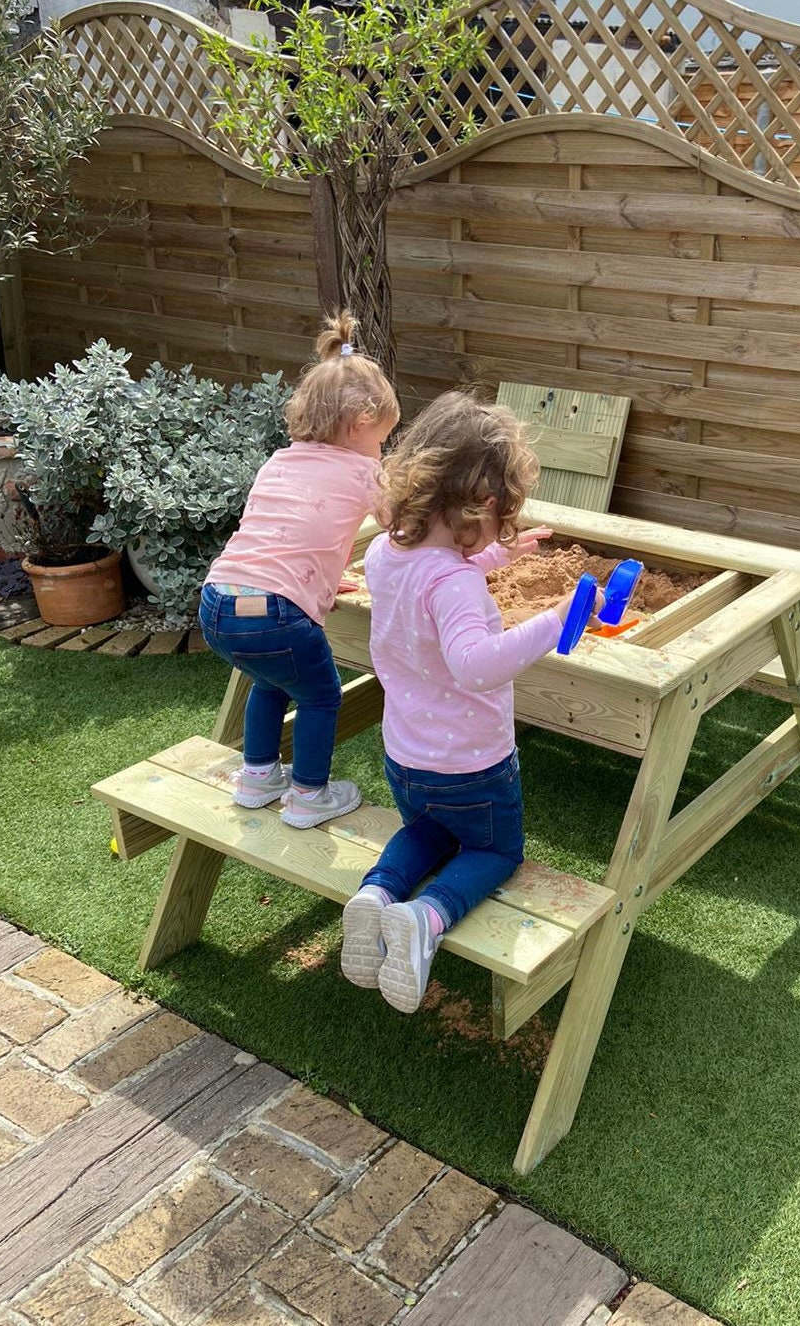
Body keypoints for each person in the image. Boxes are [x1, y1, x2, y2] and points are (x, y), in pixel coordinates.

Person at [340, 390, 601, 1013]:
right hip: (473, 765)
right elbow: (476, 665)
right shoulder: (453, 581)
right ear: (484, 504)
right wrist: (556, 617)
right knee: (494, 851)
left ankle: (376, 898)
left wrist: (495, 556)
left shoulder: (383, 552)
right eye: (500, 518)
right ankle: (428, 917)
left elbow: (435, 574)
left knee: (424, 832)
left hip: (406, 756)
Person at [199, 312, 399, 828]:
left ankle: (258, 776)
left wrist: (321, 581)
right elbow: (403, 527)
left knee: (269, 680)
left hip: (219, 601)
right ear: (360, 424)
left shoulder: (280, 461)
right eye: (382, 438)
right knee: (322, 695)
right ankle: (310, 795)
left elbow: (281, 537)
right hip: (276, 612)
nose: (381, 449)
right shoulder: (364, 471)